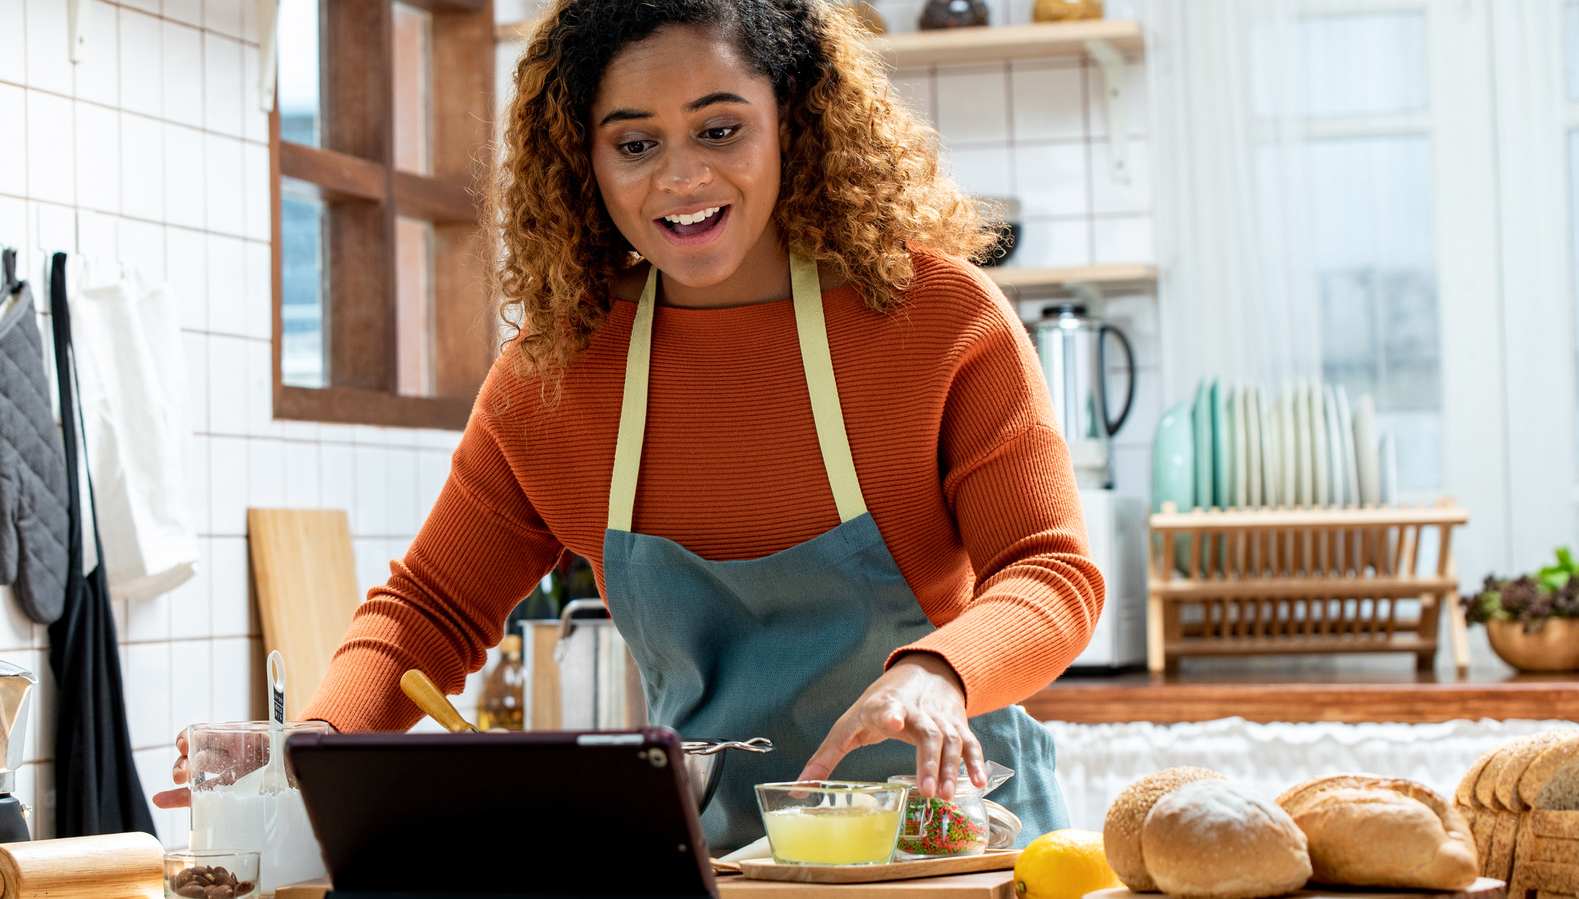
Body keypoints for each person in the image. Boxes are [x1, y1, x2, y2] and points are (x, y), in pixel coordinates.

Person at [156, 0, 1104, 850]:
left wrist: (940, 670)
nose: (681, 177)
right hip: (718, 862)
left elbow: (1049, 572)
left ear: (793, 119)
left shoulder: (936, 320)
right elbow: (430, 608)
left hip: (956, 843)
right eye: (636, 144)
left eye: (720, 129)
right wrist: (315, 741)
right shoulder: (560, 372)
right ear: (587, 160)